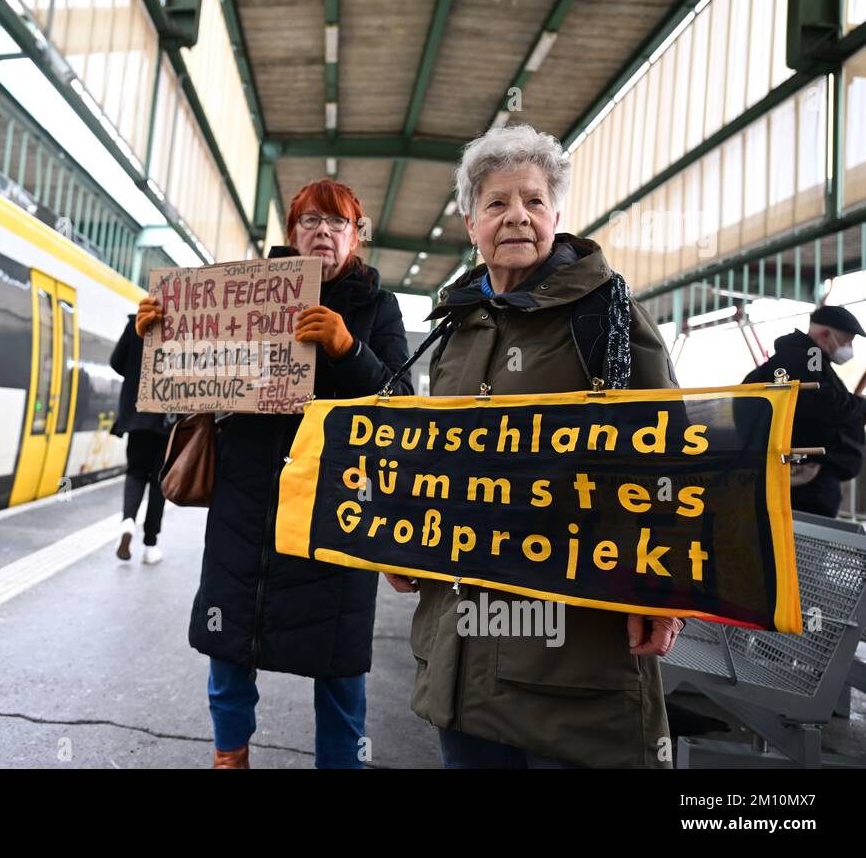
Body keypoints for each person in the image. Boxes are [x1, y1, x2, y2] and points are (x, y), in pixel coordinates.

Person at [387, 124, 683, 769]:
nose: (516, 215)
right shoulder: (455, 328)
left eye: (534, 201)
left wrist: (663, 588)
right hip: (460, 637)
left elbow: (664, 453)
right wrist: (403, 540)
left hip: (571, 639)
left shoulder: (605, 313)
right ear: (471, 223)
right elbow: (434, 459)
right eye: (496, 203)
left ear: (556, 216)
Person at [134, 179, 412, 769]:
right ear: (291, 235)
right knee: (229, 642)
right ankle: (229, 756)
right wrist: (160, 337)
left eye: (338, 224)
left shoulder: (377, 308)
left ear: (355, 237)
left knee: (339, 661)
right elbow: (187, 386)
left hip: (336, 508)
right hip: (248, 497)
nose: (323, 233)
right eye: (309, 221)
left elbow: (399, 402)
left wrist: (346, 347)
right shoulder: (243, 293)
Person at [743, 305, 866, 517]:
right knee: (805, 544)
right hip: (806, 480)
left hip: (807, 475)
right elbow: (825, 403)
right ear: (825, 334)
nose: (849, 348)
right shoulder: (806, 357)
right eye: (847, 341)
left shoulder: (806, 358)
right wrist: (860, 406)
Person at [110, 314, 168, 564]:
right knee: (159, 483)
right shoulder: (188, 324)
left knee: (135, 473)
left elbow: (116, 362)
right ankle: (150, 546)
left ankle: (128, 521)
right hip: (168, 421)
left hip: (138, 418)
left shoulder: (138, 322)